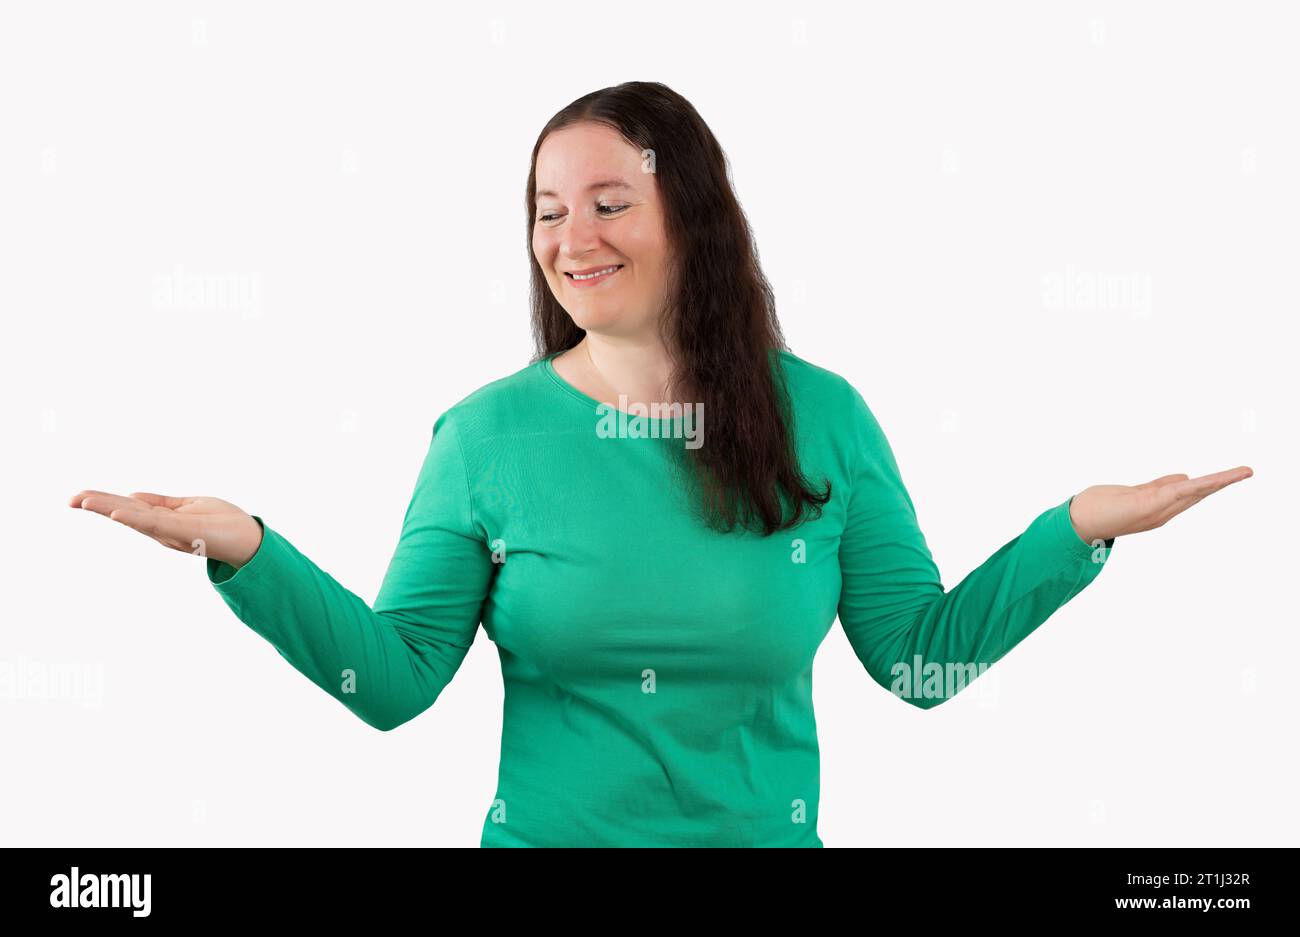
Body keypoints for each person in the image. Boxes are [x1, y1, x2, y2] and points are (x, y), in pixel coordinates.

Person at [68, 81, 1253, 847]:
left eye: (607, 202)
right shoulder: (482, 438)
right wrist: (244, 553)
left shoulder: (823, 417)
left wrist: (1078, 530)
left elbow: (917, 665)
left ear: (689, 213)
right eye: (545, 210)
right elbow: (391, 684)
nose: (569, 239)